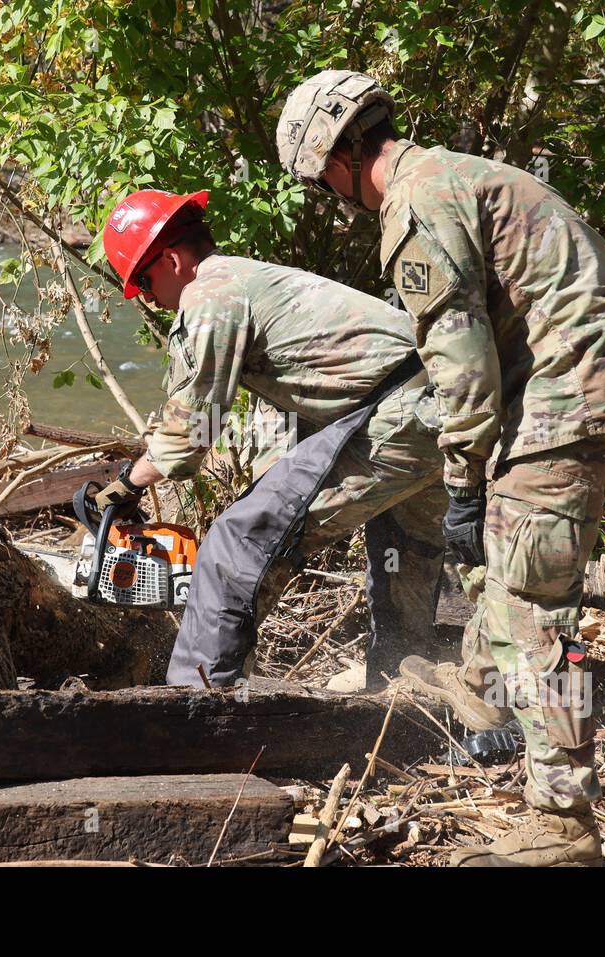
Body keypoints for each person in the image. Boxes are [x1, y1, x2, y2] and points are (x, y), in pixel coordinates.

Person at [276, 71, 605, 865]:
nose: (332, 201)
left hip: (565, 400)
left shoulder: (414, 210)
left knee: (534, 610)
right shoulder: (457, 173)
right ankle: (488, 715)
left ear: (340, 154)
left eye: (323, 184)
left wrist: (460, 480)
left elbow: (463, 372)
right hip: (580, 388)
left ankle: (564, 827)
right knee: (503, 561)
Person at [90, 187, 450, 691]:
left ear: (171, 258)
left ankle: (200, 703)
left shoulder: (212, 295)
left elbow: (192, 427)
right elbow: (286, 415)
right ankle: (408, 691)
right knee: (405, 548)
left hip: (403, 413)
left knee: (235, 548)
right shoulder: (253, 283)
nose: (148, 297)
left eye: (144, 282)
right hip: (442, 399)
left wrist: (126, 484)